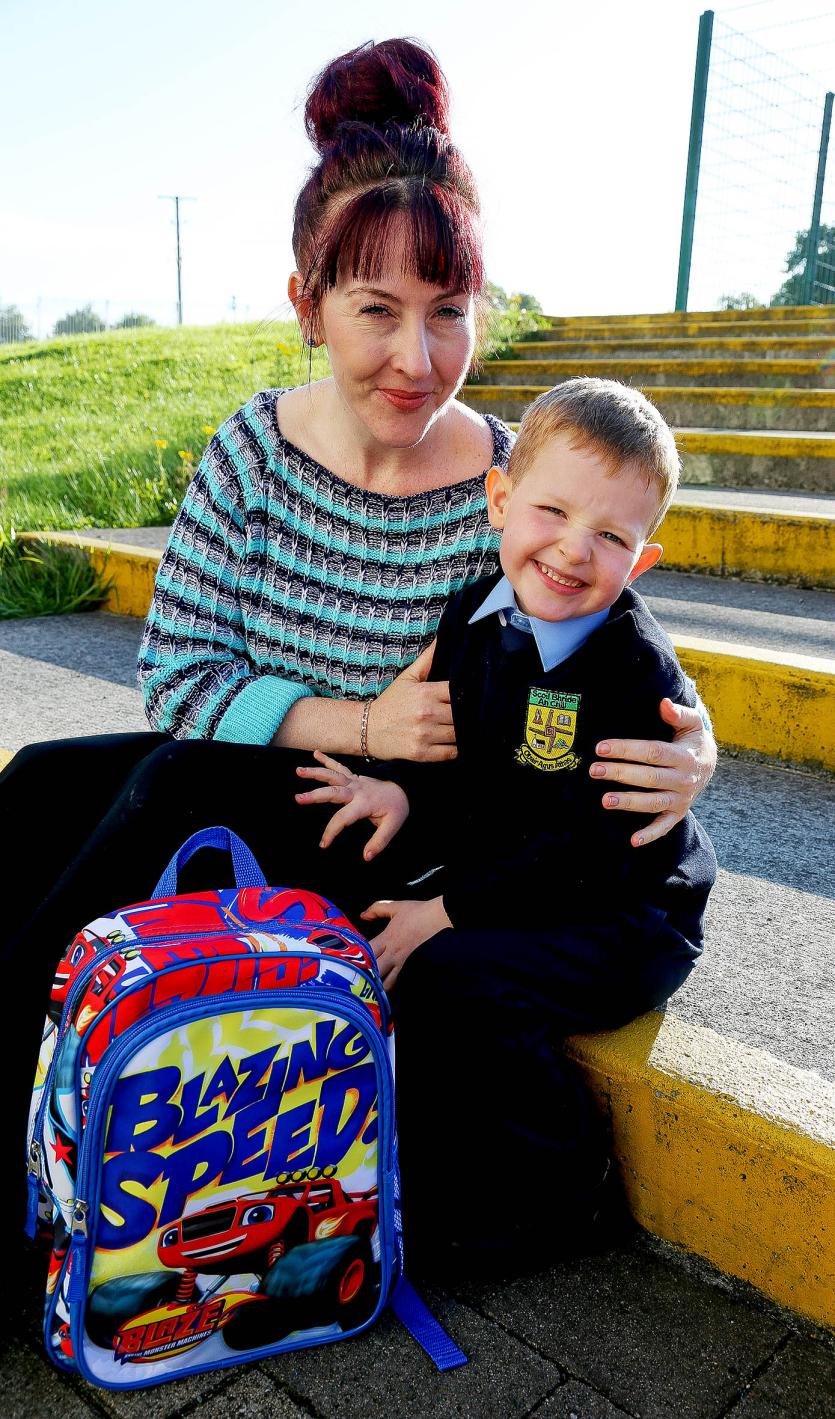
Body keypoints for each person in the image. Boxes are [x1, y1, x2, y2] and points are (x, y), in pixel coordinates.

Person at [1, 40, 715, 1260]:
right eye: (375, 311)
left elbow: (602, 619)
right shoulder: (253, 451)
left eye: (449, 314)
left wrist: (692, 747)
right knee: (41, 781)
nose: (416, 358)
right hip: (321, 761)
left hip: (389, 829)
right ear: (309, 304)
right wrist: (363, 721)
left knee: (172, 785)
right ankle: (45, 1096)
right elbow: (175, 677)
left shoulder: (509, 483)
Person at [289, 377, 717, 1265]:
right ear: (499, 498)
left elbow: (582, 845)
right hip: (525, 874)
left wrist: (446, 910)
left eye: (609, 536)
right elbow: (467, 760)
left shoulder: (634, 678)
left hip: (625, 912)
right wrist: (402, 795)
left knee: (457, 974)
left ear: (640, 561)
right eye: (552, 511)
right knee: (373, 923)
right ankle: (428, 1148)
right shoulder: (475, 615)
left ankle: (562, 1193)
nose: (571, 550)